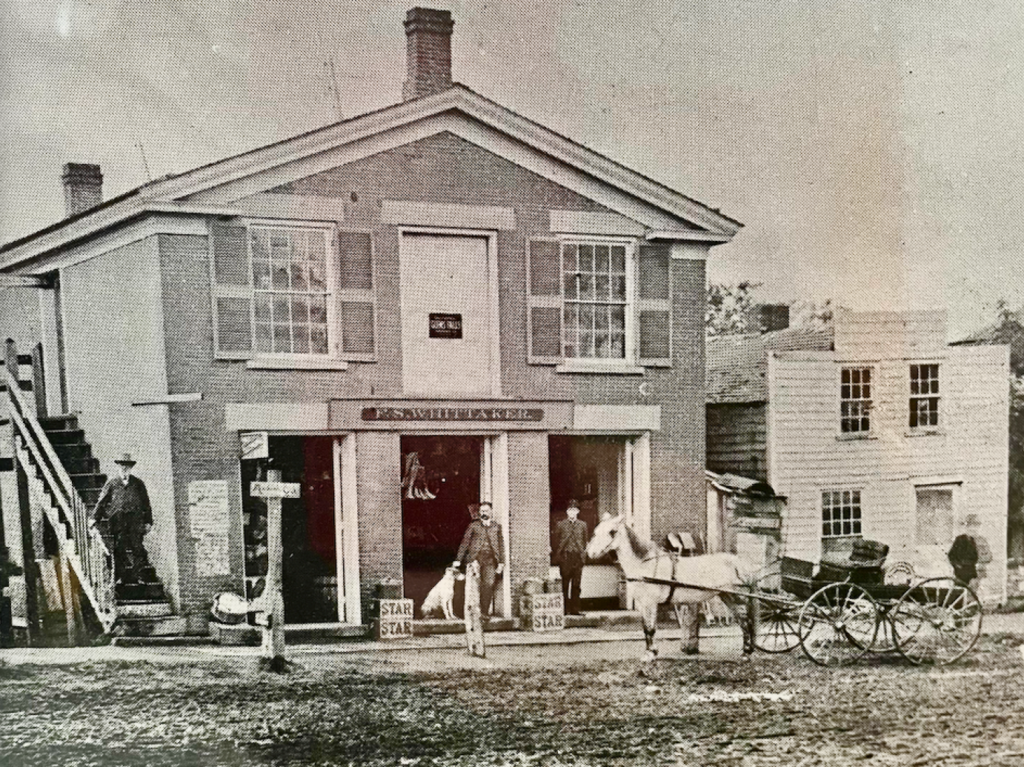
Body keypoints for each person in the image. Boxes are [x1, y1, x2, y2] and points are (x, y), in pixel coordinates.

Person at [92, 453, 153, 585]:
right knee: (119, 548)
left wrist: (148, 521)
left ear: (131, 468)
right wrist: (94, 518)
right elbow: (102, 502)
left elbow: (146, 504)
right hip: (117, 521)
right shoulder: (112, 484)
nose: (124, 469)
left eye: (127, 466)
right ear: (118, 467)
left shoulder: (138, 484)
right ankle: (121, 577)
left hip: (135, 522)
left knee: (138, 548)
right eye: (122, 466)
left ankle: (139, 576)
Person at [454, 501, 504, 618]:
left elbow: (501, 545)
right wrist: (458, 559)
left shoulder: (497, 527)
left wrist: (501, 562)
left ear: (491, 512)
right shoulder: (473, 526)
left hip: (490, 560)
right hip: (475, 559)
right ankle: (467, 612)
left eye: (486, 511)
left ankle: (484, 613)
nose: (483, 513)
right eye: (481, 511)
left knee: (489, 584)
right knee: (472, 585)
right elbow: (465, 542)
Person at [554, 499, 589, 615]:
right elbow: (556, 541)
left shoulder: (583, 525)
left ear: (578, 511)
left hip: (577, 557)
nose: (572, 513)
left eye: (574, 510)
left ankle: (575, 609)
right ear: (567, 512)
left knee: (576, 585)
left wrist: (583, 556)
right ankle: (564, 609)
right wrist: (559, 555)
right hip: (566, 557)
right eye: (570, 510)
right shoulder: (561, 524)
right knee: (565, 584)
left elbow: (585, 541)